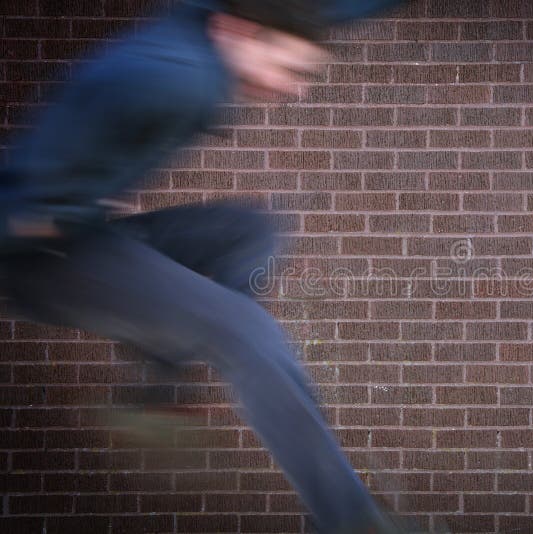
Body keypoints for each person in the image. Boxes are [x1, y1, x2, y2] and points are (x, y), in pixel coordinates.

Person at [0, 1, 410, 532]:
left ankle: (159, 392)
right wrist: (62, 215)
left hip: (83, 230)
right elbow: (30, 195)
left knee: (248, 231)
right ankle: (352, 521)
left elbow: (327, 8)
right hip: (33, 253)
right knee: (244, 331)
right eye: (288, 70)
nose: (294, 89)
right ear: (239, 32)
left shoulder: (221, 21)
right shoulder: (171, 79)